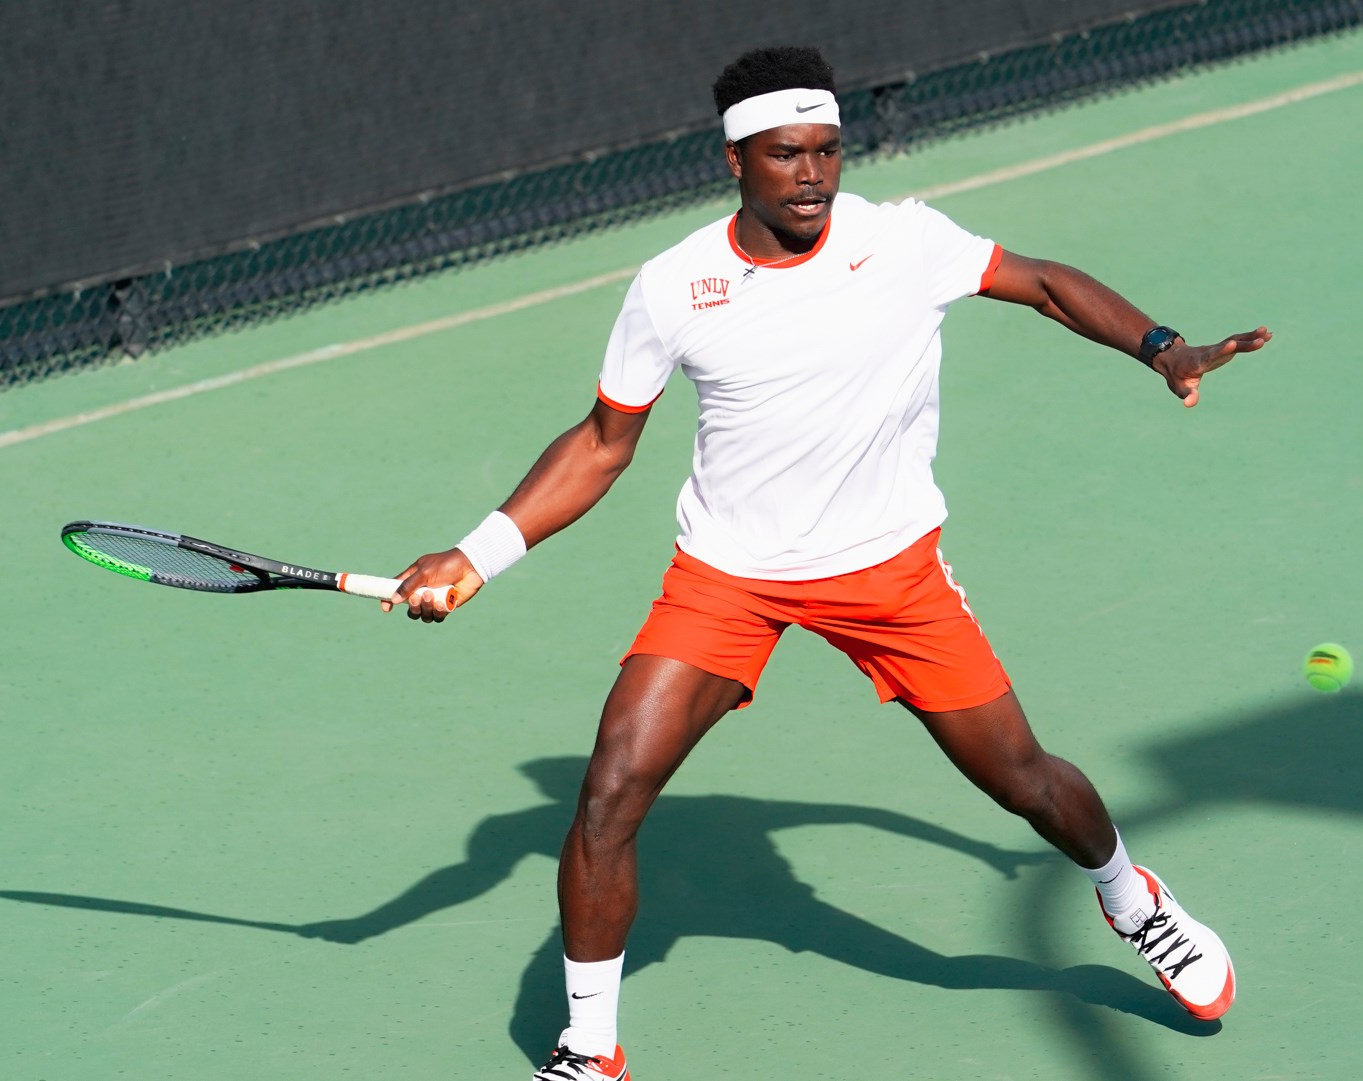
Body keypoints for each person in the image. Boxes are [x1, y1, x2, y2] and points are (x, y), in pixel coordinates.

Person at [383, 45, 1271, 1081]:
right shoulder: (673, 287)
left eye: (827, 151)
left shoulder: (903, 242)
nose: (812, 175)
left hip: (890, 571)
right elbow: (600, 444)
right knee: (609, 792)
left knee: (1024, 780)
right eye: (785, 154)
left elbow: (1041, 284)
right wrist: (478, 554)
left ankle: (1131, 897)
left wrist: (1161, 346)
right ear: (734, 160)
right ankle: (590, 1050)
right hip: (729, 579)